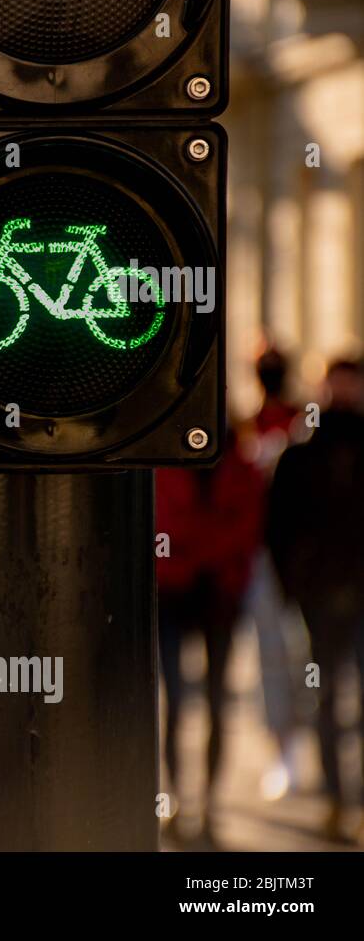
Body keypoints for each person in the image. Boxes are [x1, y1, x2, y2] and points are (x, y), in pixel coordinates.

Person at [267, 358, 364, 843]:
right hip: (321, 595)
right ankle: (335, 799)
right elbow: (279, 525)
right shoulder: (303, 450)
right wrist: (294, 587)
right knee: (326, 696)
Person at [156, 430, 265, 847]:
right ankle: (177, 798)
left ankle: (209, 801)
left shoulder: (242, 466)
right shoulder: (165, 458)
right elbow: (164, 524)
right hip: (175, 593)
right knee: (176, 703)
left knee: (216, 702)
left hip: (219, 595)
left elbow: (246, 528)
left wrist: (200, 553)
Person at [243, 347, 312, 800]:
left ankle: (306, 745)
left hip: (302, 556)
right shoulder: (247, 425)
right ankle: (283, 749)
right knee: (272, 653)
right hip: (262, 554)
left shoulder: (303, 423)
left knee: (305, 655)